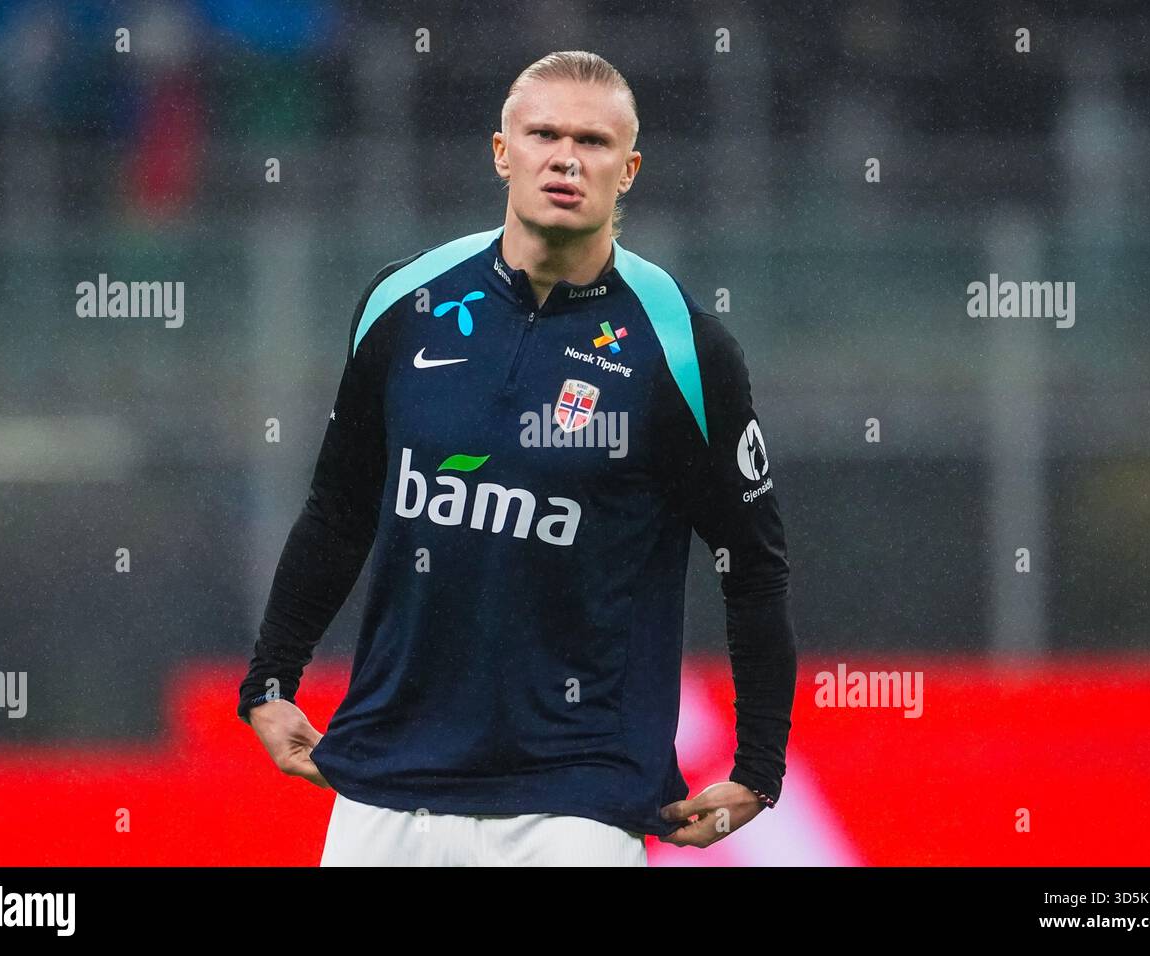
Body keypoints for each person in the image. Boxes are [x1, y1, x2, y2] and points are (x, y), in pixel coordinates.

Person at [237, 50, 798, 866]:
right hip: (387, 783)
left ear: (629, 169)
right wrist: (270, 677)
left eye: (594, 142)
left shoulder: (683, 348)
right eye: (543, 134)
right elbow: (339, 508)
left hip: (574, 806)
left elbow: (753, 563)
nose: (566, 157)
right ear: (503, 151)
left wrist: (760, 766)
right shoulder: (405, 303)